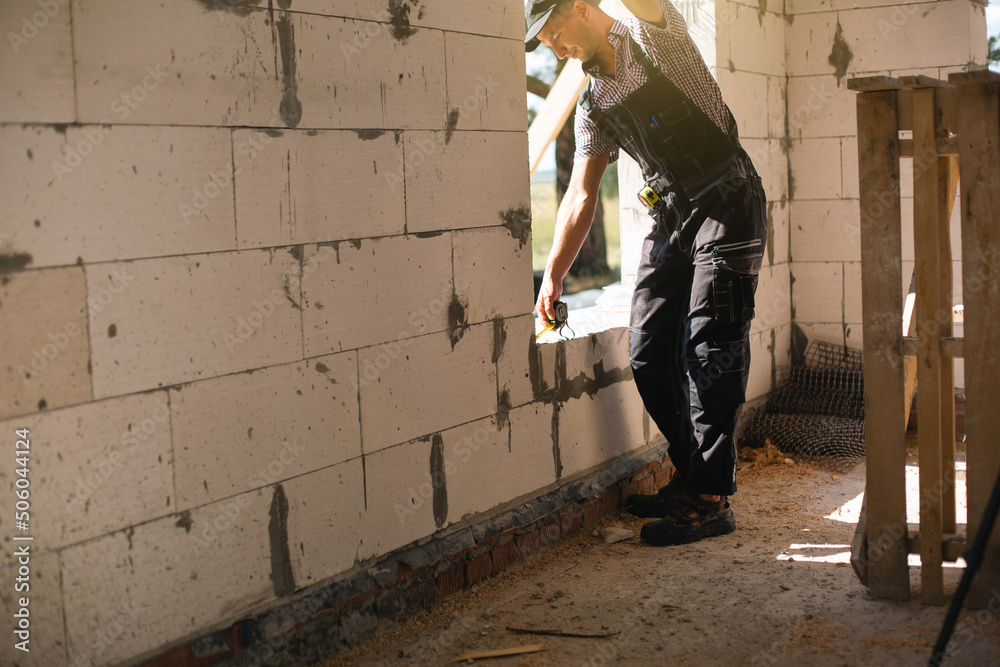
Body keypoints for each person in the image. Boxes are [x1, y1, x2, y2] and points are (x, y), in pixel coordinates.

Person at [527, 0, 767, 546]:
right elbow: (581, 193)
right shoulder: (593, 103)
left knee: (710, 346)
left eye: (557, 35)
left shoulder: (658, 40)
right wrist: (554, 274)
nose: (558, 52)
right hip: (673, 216)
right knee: (648, 351)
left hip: (728, 202)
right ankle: (691, 476)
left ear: (583, 8)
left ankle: (710, 500)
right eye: (547, 47)